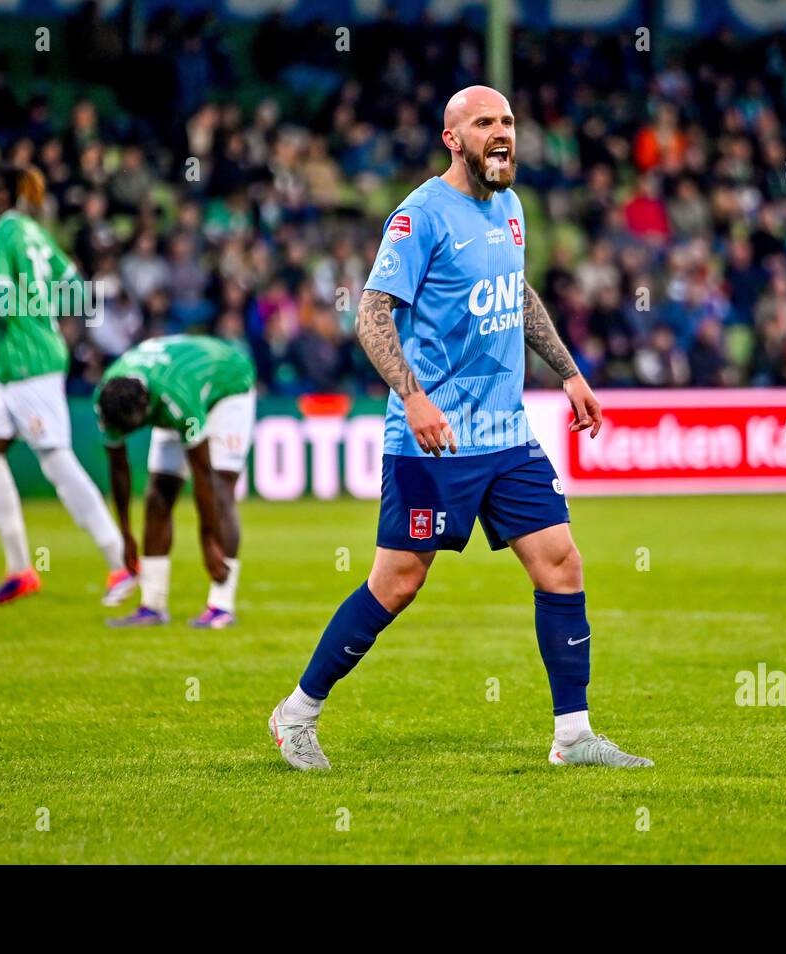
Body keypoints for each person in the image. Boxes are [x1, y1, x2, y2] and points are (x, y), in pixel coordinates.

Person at [268, 86, 653, 771]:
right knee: (398, 583)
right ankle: (297, 714)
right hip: (434, 437)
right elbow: (372, 313)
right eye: (484, 123)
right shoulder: (420, 217)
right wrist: (411, 397)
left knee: (561, 563)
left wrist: (568, 372)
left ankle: (573, 736)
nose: (501, 132)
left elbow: (518, 291)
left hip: (505, 432)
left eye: (507, 120)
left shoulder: (510, 206)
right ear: (453, 138)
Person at [0, 163, 134, 607]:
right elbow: (77, 289)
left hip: (27, 364)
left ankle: (120, 562)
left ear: (2, 195)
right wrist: (47, 319)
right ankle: (21, 569)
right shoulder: (30, 230)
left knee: (57, 464)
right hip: (19, 363)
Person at [93, 335, 256, 629]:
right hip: (177, 382)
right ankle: (152, 606)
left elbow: (202, 471)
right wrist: (126, 534)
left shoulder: (178, 397)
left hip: (227, 386)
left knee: (220, 490)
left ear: (145, 409)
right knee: (158, 494)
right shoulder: (107, 400)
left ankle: (221, 605)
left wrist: (208, 540)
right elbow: (118, 467)